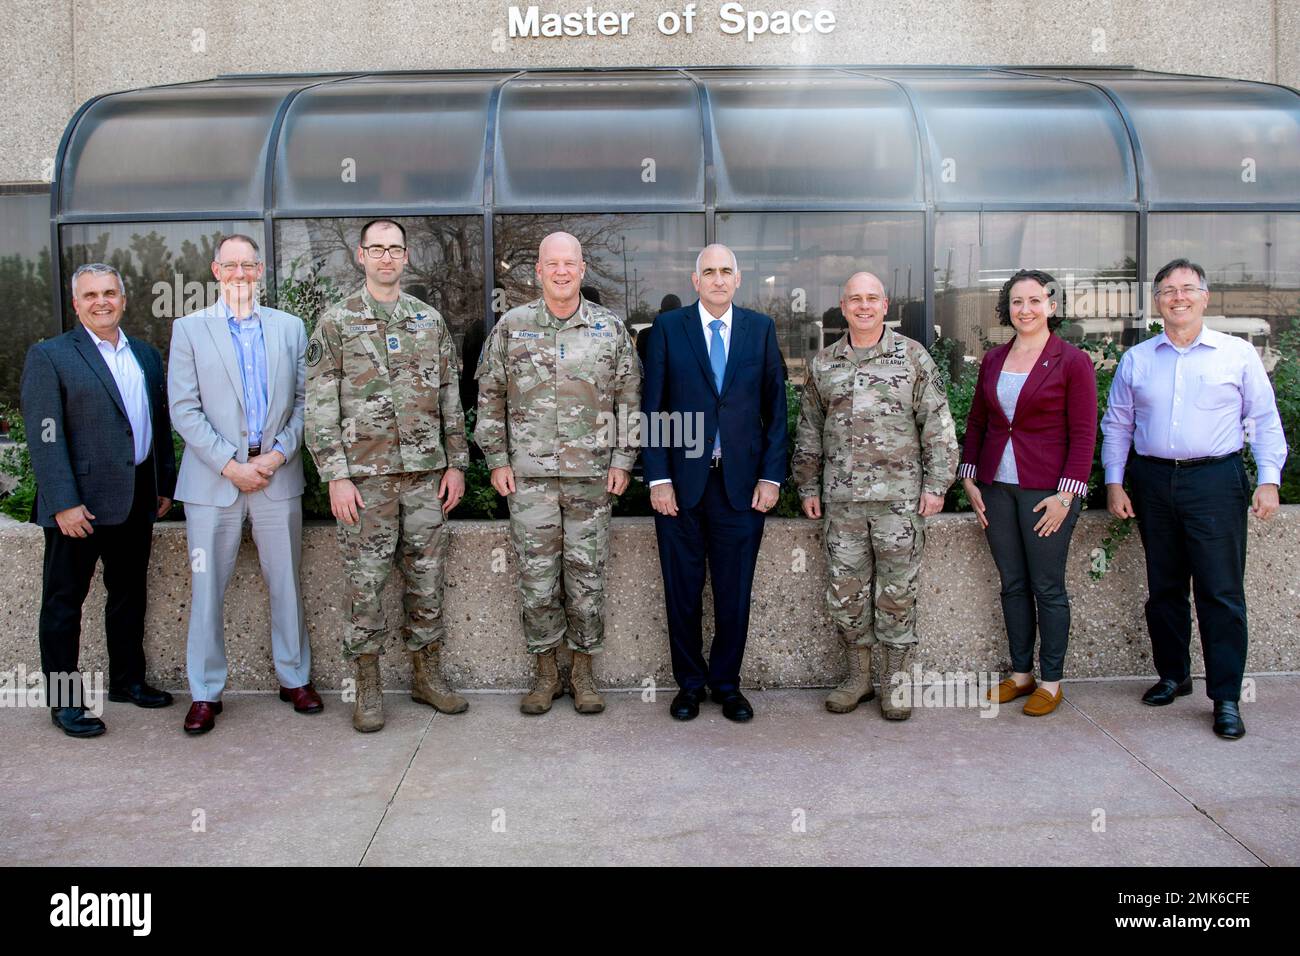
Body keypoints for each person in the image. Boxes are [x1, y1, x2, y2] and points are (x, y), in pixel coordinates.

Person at [1102, 258, 1286, 740]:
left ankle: (1225, 696)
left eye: (1187, 288)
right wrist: (1116, 481)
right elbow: (1118, 424)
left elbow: (1264, 420)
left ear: (1205, 297)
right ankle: (1174, 675)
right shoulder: (1138, 359)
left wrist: (1269, 478)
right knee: (1164, 588)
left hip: (1216, 481)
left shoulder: (1236, 355)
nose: (1177, 297)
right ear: (1157, 301)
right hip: (1153, 481)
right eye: (1167, 290)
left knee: (1220, 592)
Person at [305, 219, 469, 733]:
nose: (385, 258)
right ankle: (368, 686)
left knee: (427, 580)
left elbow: (449, 397)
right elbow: (319, 405)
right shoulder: (335, 323)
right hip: (365, 480)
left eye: (394, 249)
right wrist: (335, 475)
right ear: (360, 256)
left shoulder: (429, 321)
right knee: (367, 585)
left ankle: (426, 676)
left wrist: (457, 464)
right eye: (376, 249)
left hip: (424, 477)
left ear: (405, 257)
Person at [475, 231, 640, 715]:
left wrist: (623, 461)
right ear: (539, 271)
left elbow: (631, 399)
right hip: (529, 481)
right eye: (553, 264)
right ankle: (547, 674)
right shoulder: (512, 326)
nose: (562, 271)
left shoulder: (609, 329)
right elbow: (490, 398)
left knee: (587, 578)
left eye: (570, 263)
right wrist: (497, 460)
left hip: (592, 479)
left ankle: (584, 676)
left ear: (583, 269)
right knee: (538, 580)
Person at [20, 263, 178, 737]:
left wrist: (164, 484)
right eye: (90, 295)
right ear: (76, 303)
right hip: (79, 506)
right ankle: (65, 703)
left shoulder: (146, 356)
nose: (101, 301)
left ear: (123, 299)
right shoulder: (50, 356)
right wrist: (62, 501)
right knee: (65, 602)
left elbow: (159, 425)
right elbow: (44, 437)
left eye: (110, 293)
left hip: (136, 498)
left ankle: (128, 681)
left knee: (129, 596)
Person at [168, 234, 317, 735]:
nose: (239, 273)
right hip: (214, 483)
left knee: (286, 583)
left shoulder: (290, 329)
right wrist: (231, 466)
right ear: (215, 271)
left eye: (248, 265)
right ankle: (206, 692)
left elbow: (305, 402)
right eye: (229, 265)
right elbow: (183, 410)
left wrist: (276, 456)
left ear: (260, 271)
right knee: (207, 588)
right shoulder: (189, 330)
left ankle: (293, 678)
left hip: (277, 476)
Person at [792, 272, 957, 720]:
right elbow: (809, 428)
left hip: (899, 503)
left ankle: (896, 684)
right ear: (842, 307)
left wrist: (937, 486)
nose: (863, 306)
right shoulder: (824, 363)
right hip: (842, 503)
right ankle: (859, 679)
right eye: (854, 300)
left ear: (886, 305)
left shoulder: (913, 357)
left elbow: (938, 426)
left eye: (871, 299)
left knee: (898, 594)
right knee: (845, 594)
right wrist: (807, 484)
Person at [642, 244, 787, 722]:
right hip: (680, 489)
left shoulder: (761, 329)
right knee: (681, 592)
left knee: (734, 593)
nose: (719, 279)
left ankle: (726, 684)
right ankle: (688, 685)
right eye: (710, 272)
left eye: (727, 271)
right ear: (695, 279)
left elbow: (777, 409)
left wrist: (771, 475)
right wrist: (658, 477)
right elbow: (654, 407)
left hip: (741, 489)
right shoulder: (667, 328)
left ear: (738, 279)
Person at [957, 270, 1096, 717]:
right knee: (1012, 585)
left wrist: (1066, 495)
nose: (1026, 310)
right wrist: (969, 477)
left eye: (1035, 301)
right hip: (997, 489)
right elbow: (978, 422)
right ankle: (1021, 674)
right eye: (1017, 302)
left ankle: (1051, 680)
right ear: (1007, 308)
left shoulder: (1072, 361)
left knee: (1047, 587)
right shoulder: (994, 359)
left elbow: (1084, 433)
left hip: (1047, 493)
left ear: (1051, 307)